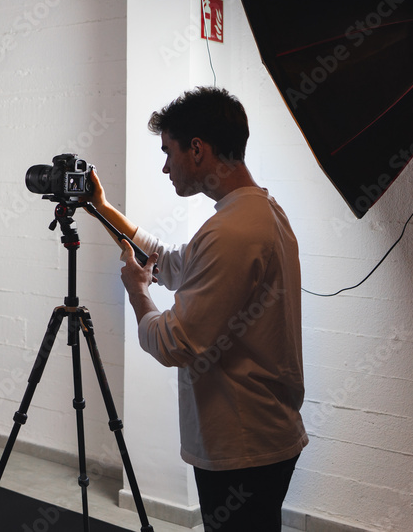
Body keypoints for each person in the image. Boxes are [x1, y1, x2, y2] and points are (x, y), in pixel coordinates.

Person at [87, 86, 308, 531]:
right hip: (261, 439)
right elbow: (165, 262)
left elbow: (176, 342)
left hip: (243, 446)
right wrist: (102, 208)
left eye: (168, 152)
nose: (165, 166)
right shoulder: (258, 212)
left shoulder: (230, 231)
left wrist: (137, 293)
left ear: (197, 150)